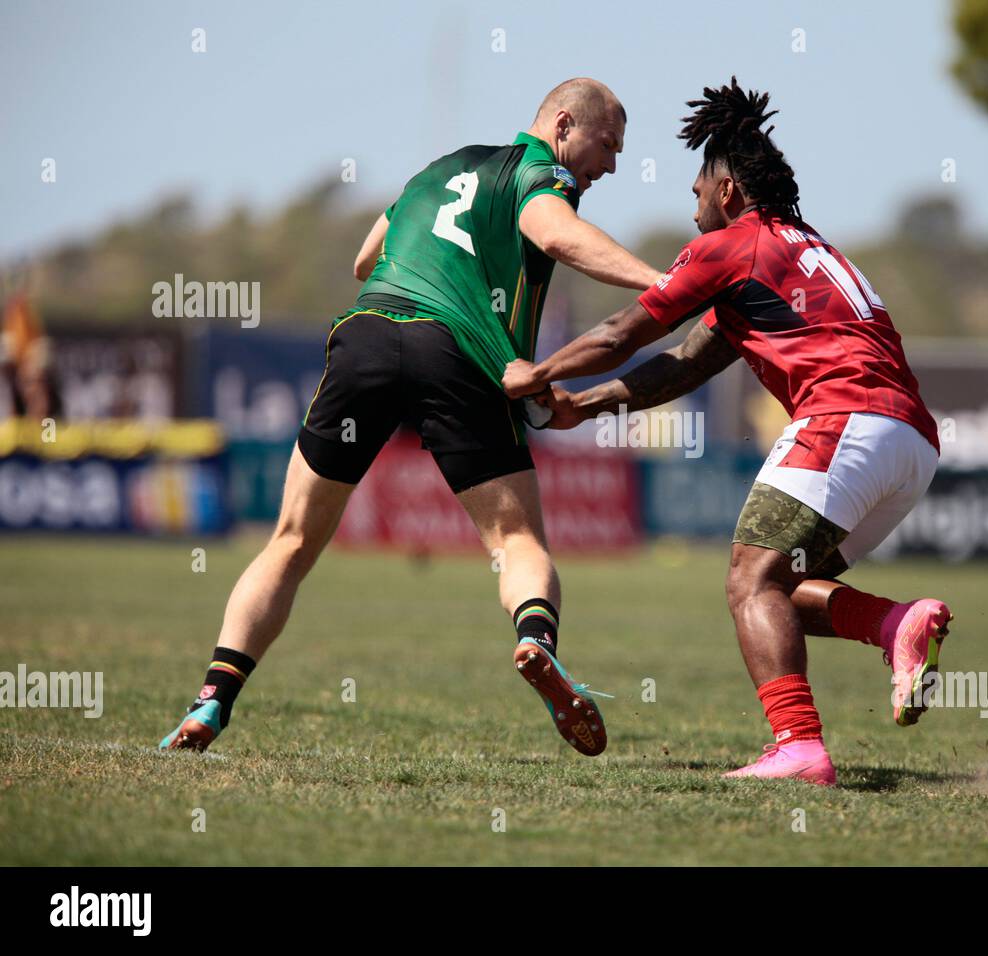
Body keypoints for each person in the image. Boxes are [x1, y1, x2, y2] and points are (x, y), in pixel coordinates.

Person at [160, 78, 661, 757]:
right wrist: (665, 284)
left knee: (290, 541)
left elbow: (366, 260)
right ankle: (534, 642)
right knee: (516, 541)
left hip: (368, 332)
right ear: (564, 124)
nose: (609, 165)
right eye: (607, 145)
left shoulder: (438, 169)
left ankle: (212, 700)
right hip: (453, 349)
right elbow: (557, 234)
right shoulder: (540, 174)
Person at [503, 78, 952, 786]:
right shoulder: (799, 250)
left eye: (695, 196)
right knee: (784, 587)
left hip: (843, 420)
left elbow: (625, 331)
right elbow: (684, 366)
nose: (692, 212)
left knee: (749, 582)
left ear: (727, 196)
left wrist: (536, 373)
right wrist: (582, 405)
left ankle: (799, 747)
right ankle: (897, 626)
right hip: (911, 442)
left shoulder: (734, 246)